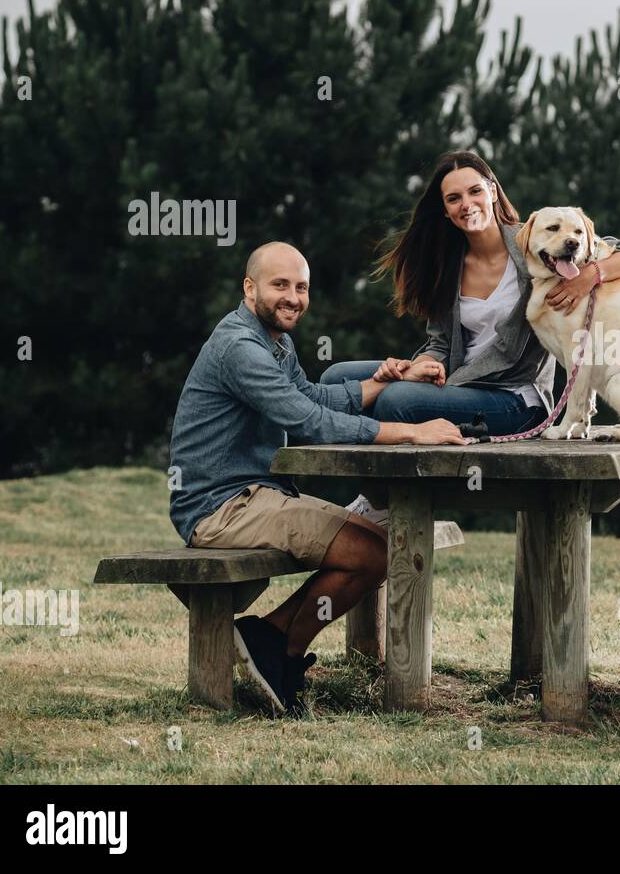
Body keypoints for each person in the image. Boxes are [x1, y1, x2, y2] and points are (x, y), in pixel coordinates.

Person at [168, 241, 466, 714]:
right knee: (373, 553)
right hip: (221, 508)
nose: (293, 297)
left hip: (256, 497)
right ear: (250, 288)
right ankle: (273, 643)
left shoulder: (275, 341)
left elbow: (312, 397)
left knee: (378, 543)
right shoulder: (239, 347)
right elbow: (306, 421)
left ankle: (272, 641)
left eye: (301, 287)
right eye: (280, 285)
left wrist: (388, 380)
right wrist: (409, 432)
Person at [322, 151, 620, 520]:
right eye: (454, 198)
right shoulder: (447, 263)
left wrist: (589, 277)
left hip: (515, 399)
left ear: (493, 191)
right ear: (445, 210)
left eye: (474, 191)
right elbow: (441, 344)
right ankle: (378, 499)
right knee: (334, 379)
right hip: (456, 382)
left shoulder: (536, 244)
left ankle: (385, 503)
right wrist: (420, 365)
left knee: (395, 401)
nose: (467, 204)